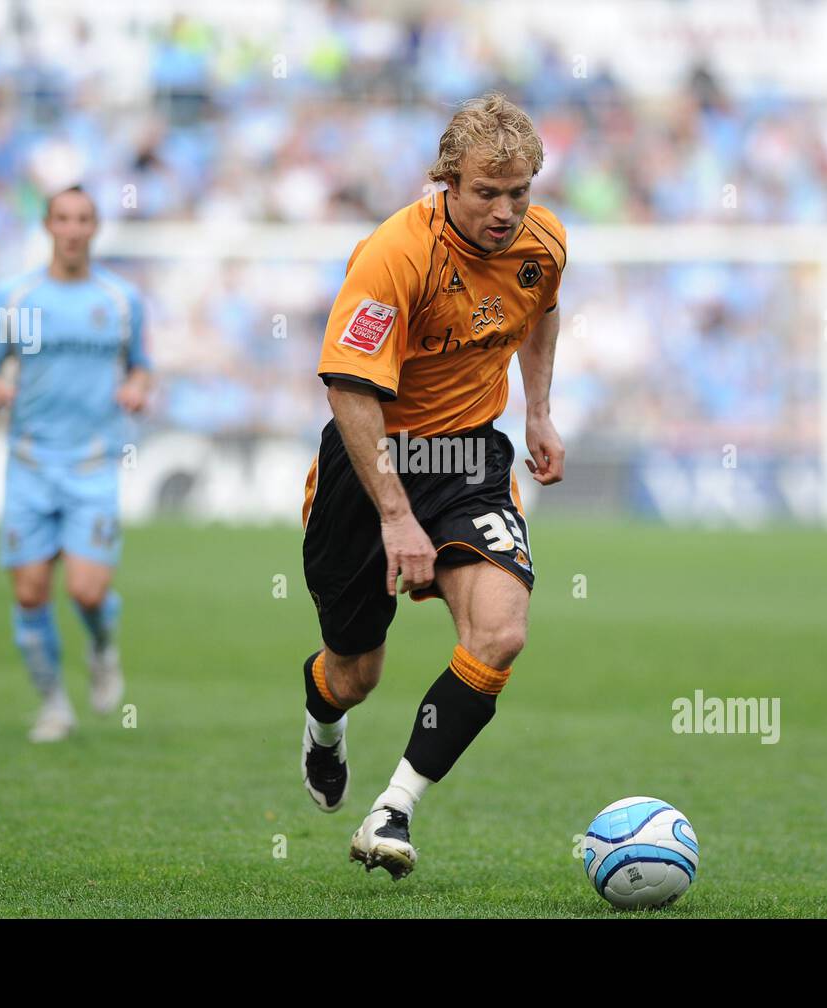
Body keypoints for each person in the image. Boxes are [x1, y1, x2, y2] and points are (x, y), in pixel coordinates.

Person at [299, 93, 566, 878]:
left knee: (500, 632)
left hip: (467, 460)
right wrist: (393, 514)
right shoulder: (395, 253)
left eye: (519, 191)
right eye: (487, 192)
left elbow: (544, 306)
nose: (506, 210)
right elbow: (350, 389)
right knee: (357, 673)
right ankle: (322, 721)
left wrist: (541, 411)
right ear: (446, 180)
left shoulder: (543, 241)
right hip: (371, 461)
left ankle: (392, 810)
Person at [0, 185, 150, 742]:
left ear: (95, 228)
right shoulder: (14, 295)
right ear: (48, 226)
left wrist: (138, 389)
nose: (73, 229)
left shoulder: (122, 299)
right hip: (29, 461)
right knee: (29, 593)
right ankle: (53, 705)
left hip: (93, 465)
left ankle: (100, 646)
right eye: (63, 219)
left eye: (83, 219)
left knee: (88, 592)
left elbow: (141, 366)